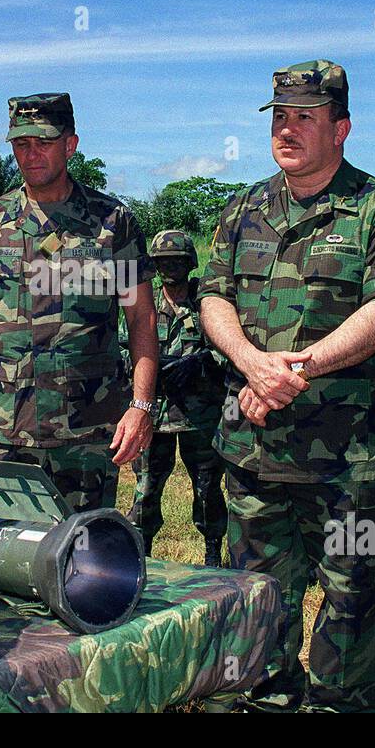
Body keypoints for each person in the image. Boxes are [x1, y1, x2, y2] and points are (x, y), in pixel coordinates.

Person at [199, 60, 375, 712]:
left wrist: (297, 368)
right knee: (258, 607)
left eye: (304, 117)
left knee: (349, 613)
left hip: (348, 459)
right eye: (279, 116)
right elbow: (214, 297)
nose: (286, 129)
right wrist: (250, 361)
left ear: (341, 127)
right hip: (255, 454)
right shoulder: (242, 208)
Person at [0, 93, 158, 511]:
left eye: (43, 142)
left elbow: (142, 319)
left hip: (88, 428)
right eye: (21, 144)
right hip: (4, 427)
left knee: (86, 559)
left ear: (70, 144)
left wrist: (141, 406)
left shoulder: (112, 222)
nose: (31, 154)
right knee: (9, 556)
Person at [125, 229, 227, 565]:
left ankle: (213, 552)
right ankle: (141, 555)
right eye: (163, 262)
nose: (170, 268)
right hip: (153, 415)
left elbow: (230, 349)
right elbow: (119, 350)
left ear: (190, 264)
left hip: (201, 415)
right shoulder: (142, 301)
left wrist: (201, 362)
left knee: (208, 488)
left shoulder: (207, 302)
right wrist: (153, 367)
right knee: (146, 489)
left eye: (177, 261)